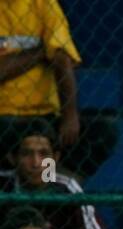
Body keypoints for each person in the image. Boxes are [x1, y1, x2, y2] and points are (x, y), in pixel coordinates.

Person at [0, 0, 117, 179]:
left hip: (47, 114)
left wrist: (70, 116)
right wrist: (42, 51)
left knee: (103, 129)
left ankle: (59, 188)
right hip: (4, 118)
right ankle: (30, 184)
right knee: (38, 130)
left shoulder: (44, 4)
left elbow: (62, 59)